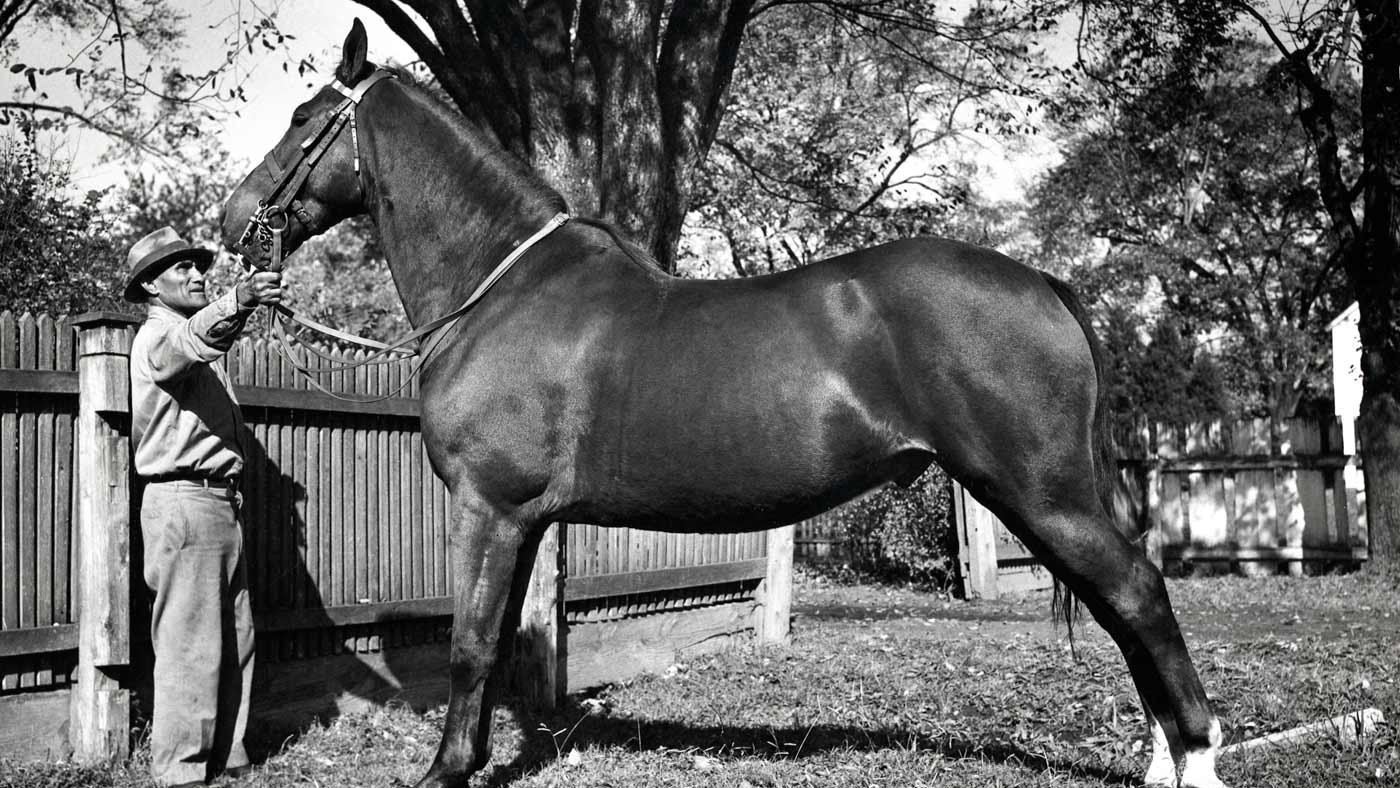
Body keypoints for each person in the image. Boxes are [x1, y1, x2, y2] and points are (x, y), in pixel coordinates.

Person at [124, 226, 283, 787]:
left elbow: (207, 337)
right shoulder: (157, 338)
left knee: (234, 640)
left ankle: (227, 758)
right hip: (183, 501)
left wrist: (240, 307)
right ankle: (181, 774)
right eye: (181, 269)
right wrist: (238, 299)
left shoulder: (198, 343)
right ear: (150, 285)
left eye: (199, 266)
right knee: (190, 644)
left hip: (219, 505)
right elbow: (187, 344)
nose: (197, 275)